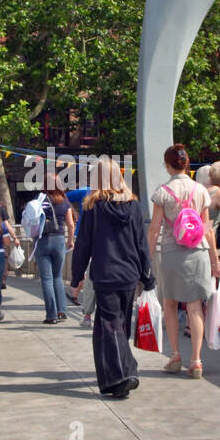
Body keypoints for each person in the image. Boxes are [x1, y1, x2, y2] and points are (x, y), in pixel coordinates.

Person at [71, 158, 155, 399]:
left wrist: (77, 276)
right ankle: (117, 377)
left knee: (110, 325)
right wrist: (147, 275)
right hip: (129, 274)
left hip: (106, 273)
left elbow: (83, 244)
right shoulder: (133, 205)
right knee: (119, 325)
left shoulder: (93, 207)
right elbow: (141, 244)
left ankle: (124, 374)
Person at [147, 143, 220, 379]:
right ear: (187, 164)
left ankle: (175, 355)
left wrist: (148, 258)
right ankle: (196, 361)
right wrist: (215, 260)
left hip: (171, 252)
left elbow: (154, 229)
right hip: (198, 252)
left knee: (170, 304)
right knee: (194, 306)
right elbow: (208, 230)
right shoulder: (200, 191)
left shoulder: (162, 192)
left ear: (167, 165)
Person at [35, 176, 75, 324]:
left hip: (42, 239)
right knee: (57, 276)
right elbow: (71, 224)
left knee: (46, 279)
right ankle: (62, 310)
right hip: (59, 240)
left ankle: (51, 315)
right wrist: (70, 241)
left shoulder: (40, 200)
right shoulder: (65, 201)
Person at [66, 182, 94, 324]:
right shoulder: (119, 195)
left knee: (87, 273)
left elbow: (65, 196)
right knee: (88, 274)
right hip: (86, 236)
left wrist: (72, 212)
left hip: (84, 235)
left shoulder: (86, 191)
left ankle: (76, 293)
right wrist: (72, 211)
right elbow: (65, 197)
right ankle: (76, 292)